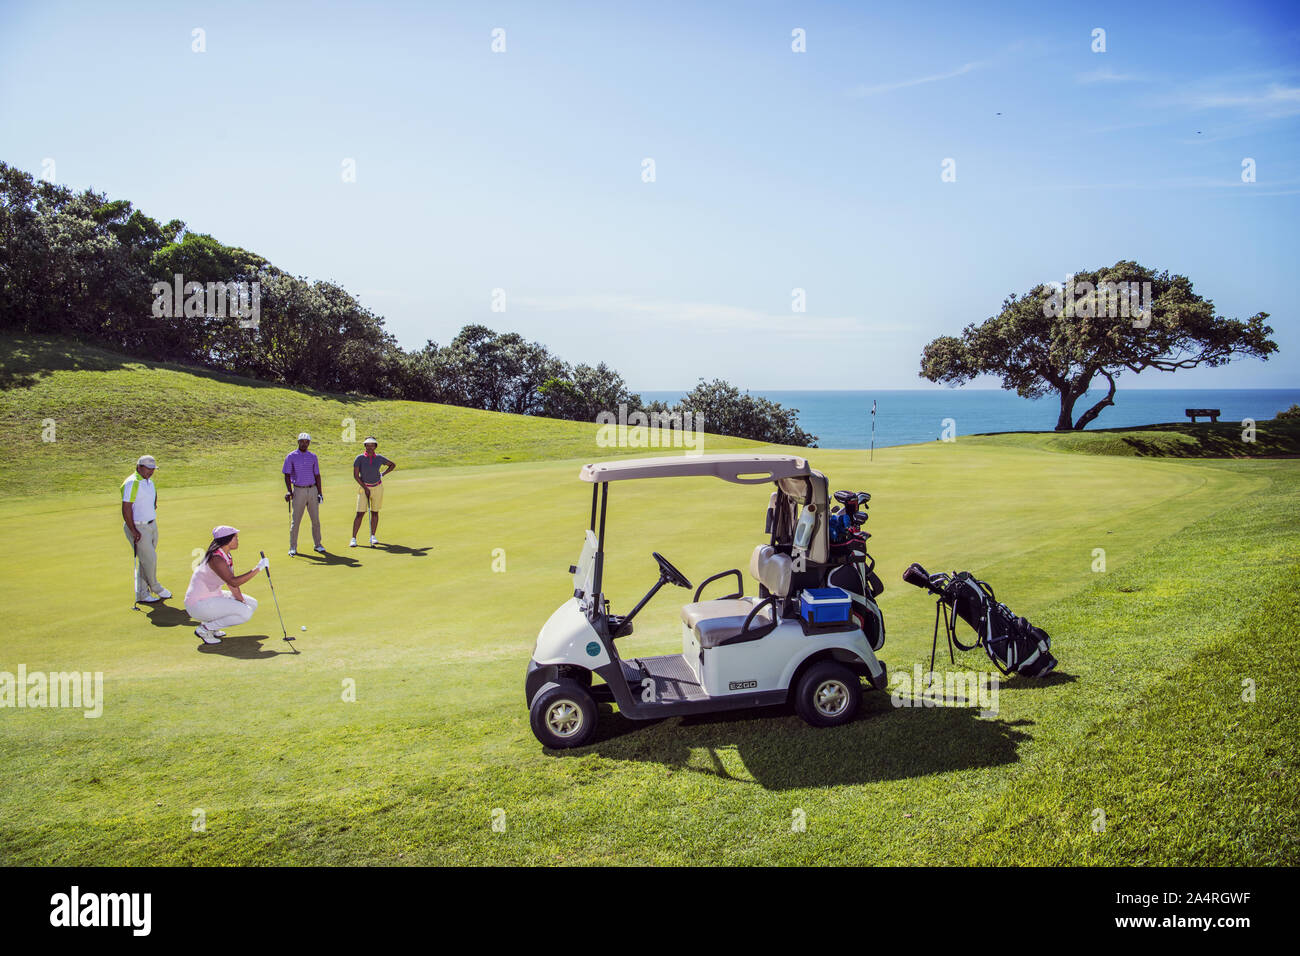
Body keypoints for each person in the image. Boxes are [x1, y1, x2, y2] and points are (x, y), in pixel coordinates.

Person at [184, 526, 268, 644]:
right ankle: (205, 629)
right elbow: (233, 581)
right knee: (246, 613)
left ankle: (212, 626)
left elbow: (231, 585)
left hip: (211, 598)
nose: (238, 540)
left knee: (251, 604)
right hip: (198, 605)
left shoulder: (225, 555)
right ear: (227, 540)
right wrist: (258, 568)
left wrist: (241, 600)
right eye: (235, 538)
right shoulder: (216, 559)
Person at [121, 454, 171, 603]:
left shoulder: (149, 482)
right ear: (139, 467)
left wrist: (152, 507)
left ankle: (142, 594)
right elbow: (126, 509)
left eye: (153, 469)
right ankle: (156, 587)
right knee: (150, 560)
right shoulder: (132, 483)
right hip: (138, 526)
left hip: (151, 525)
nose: (151, 471)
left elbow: (153, 497)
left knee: (145, 560)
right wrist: (133, 530)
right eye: (148, 468)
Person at [282, 432, 324, 556]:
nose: (304, 444)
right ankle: (293, 547)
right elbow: (287, 475)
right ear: (298, 442)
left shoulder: (313, 456)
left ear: (309, 443)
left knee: (315, 520)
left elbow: (317, 475)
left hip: (312, 489)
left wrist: (320, 493)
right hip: (299, 490)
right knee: (296, 521)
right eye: (302, 441)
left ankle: (318, 545)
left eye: (307, 442)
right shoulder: (291, 456)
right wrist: (289, 491)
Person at [351, 437, 396, 547]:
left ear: (375, 446)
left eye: (372, 445)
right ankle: (353, 538)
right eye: (367, 445)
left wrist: (382, 474)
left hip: (378, 487)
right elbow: (356, 476)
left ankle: (373, 536)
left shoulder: (379, 458)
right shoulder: (359, 458)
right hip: (364, 488)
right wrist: (365, 488)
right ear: (365, 446)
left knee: (375, 512)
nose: (370, 447)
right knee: (360, 513)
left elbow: (392, 465)